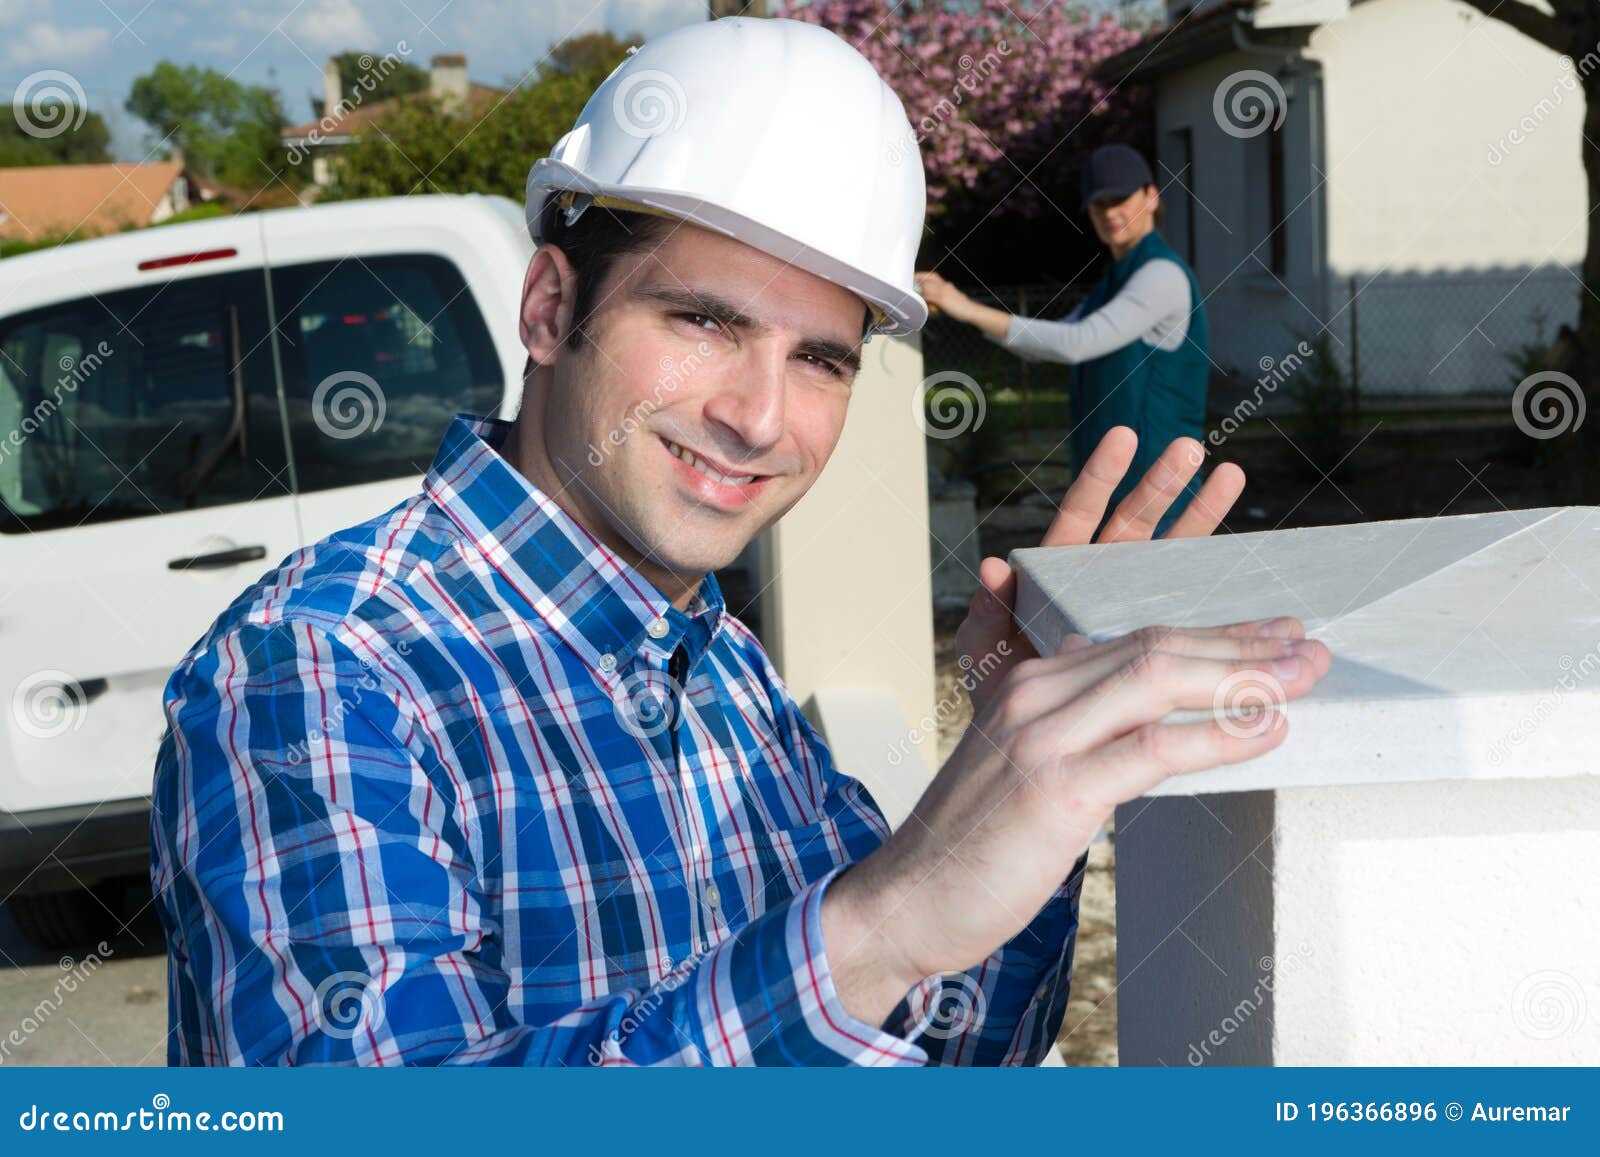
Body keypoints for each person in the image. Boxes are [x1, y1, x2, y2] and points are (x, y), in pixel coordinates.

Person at [149, 18, 1325, 1066]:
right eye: (705, 319)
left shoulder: (722, 668)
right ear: (552, 306)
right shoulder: (323, 667)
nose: (761, 418)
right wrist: (875, 928)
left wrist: (1023, 801)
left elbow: (963, 1064)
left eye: (819, 357)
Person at [916, 143, 1210, 533]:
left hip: (1156, 497)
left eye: (1120, 198)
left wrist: (963, 306)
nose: (1110, 213)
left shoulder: (1161, 276)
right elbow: (1046, 347)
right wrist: (965, 311)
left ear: (1152, 196)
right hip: (1116, 492)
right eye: (1098, 204)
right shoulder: (1114, 280)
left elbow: (1076, 343)